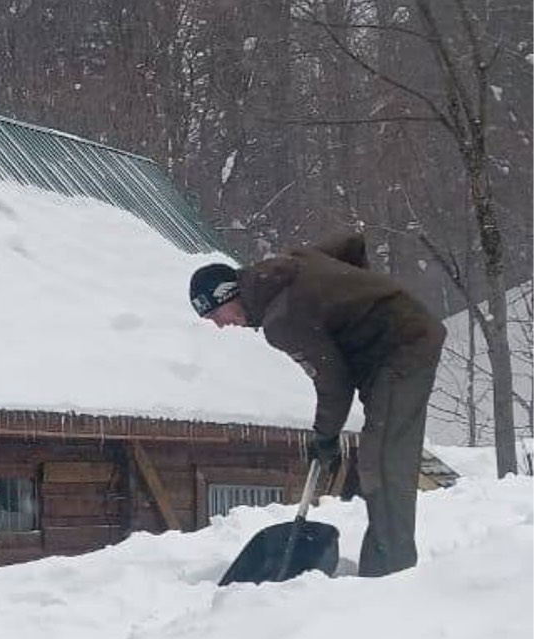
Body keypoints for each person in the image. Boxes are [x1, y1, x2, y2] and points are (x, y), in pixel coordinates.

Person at [189, 232, 445, 578]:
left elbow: (333, 383)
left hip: (402, 347)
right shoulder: (291, 265)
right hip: (385, 351)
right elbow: (349, 244)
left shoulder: (281, 320)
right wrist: (360, 301)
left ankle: (391, 576)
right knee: (379, 458)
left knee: (383, 463)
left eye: (216, 315)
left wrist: (324, 438)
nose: (220, 326)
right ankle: (386, 566)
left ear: (228, 294)